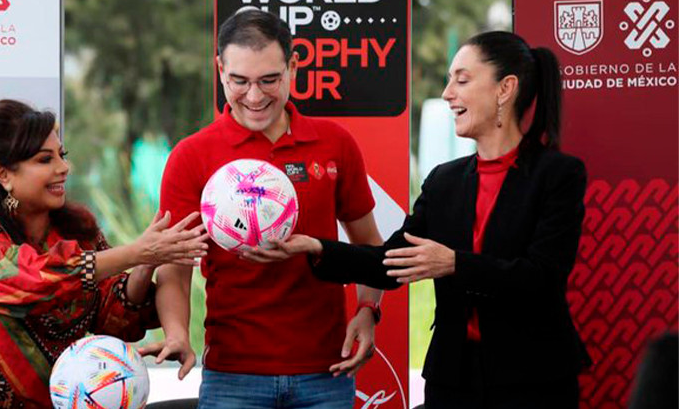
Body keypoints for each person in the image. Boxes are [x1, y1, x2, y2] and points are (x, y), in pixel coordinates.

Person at [248, 31, 592, 409]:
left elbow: (541, 277)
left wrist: (454, 264)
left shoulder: (559, 174)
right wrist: (314, 247)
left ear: (505, 88)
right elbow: (387, 263)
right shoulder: (444, 180)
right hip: (452, 379)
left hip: (535, 378)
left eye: (461, 80)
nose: (447, 93)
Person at [146, 9, 384, 408]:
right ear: (220, 69)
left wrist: (367, 309)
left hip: (326, 373)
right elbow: (174, 265)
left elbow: (370, 247)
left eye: (269, 80)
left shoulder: (334, 144)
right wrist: (176, 333)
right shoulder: (192, 155)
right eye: (239, 81)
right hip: (232, 377)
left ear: (292, 66)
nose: (254, 97)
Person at [0, 99, 209, 408]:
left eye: (62, 155)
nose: (63, 168)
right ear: (4, 174)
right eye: (45, 160)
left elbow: (113, 318)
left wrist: (146, 262)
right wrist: (137, 253)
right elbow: (25, 280)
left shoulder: (77, 229)